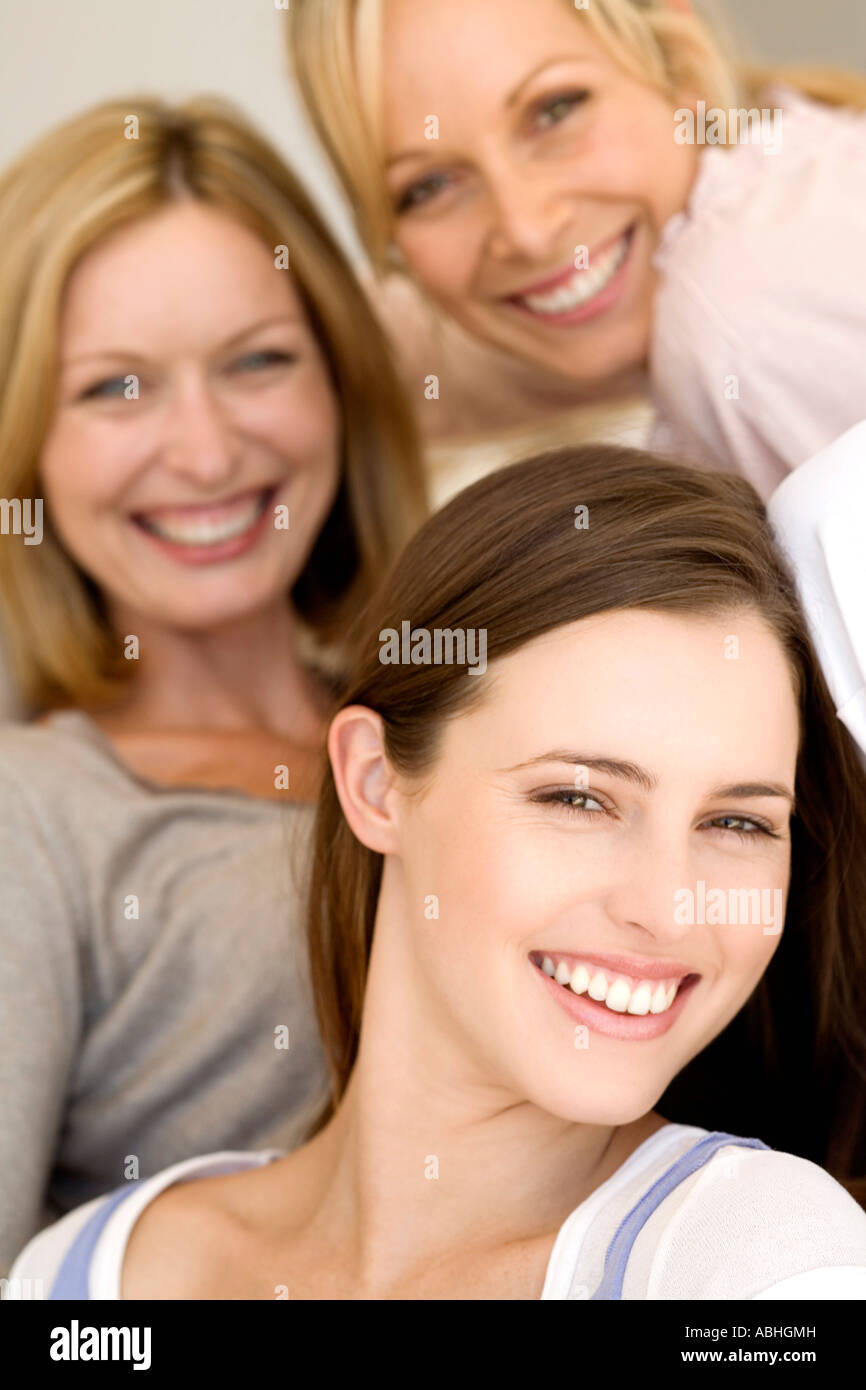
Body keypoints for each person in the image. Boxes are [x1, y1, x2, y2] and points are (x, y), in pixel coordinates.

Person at [12, 444, 866, 1300]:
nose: (668, 910)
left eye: (737, 821)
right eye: (577, 799)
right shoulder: (85, 1275)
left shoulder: (762, 1265)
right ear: (376, 783)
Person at [0, 94, 427, 1275]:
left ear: (341, 379)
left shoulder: (472, 705)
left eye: (258, 361)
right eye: (114, 388)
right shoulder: (30, 814)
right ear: (25, 437)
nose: (202, 450)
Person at [286, 0, 866, 499]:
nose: (526, 230)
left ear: (673, 58)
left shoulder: (734, 318)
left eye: (555, 110)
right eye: (429, 187)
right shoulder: (792, 156)